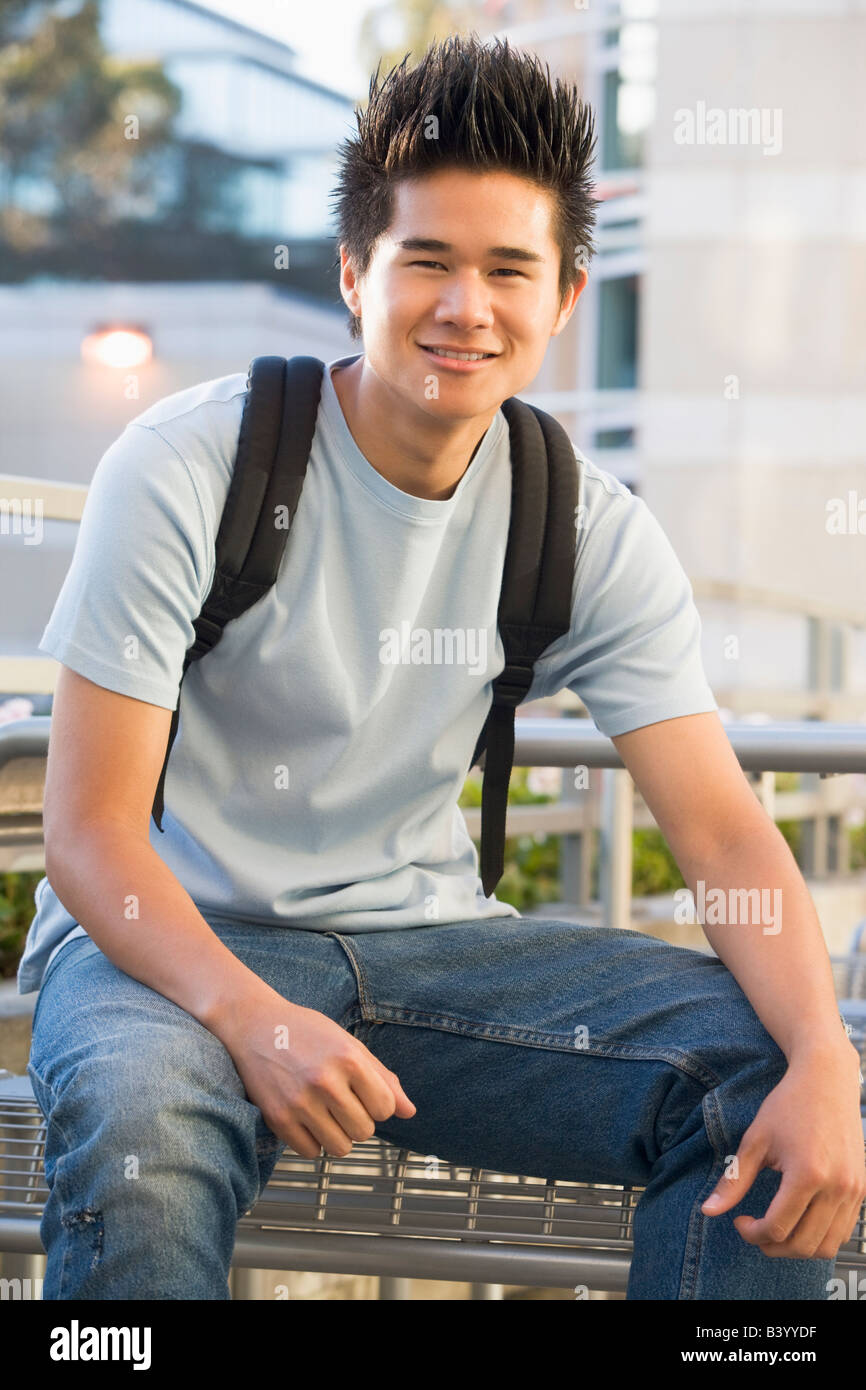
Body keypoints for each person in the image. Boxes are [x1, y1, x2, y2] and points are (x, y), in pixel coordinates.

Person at [20, 33, 864, 1301]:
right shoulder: (192, 464)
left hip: (426, 957)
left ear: (565, 296)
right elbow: (86, 832)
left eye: (508, 270)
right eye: (427, 261)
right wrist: (256, 1018)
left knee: (775, 1087)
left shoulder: (580, 524)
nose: (465, 307)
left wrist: (818, 1060)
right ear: (355, 273)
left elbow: (725, 839)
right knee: (146, 1137)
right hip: (171, 950)